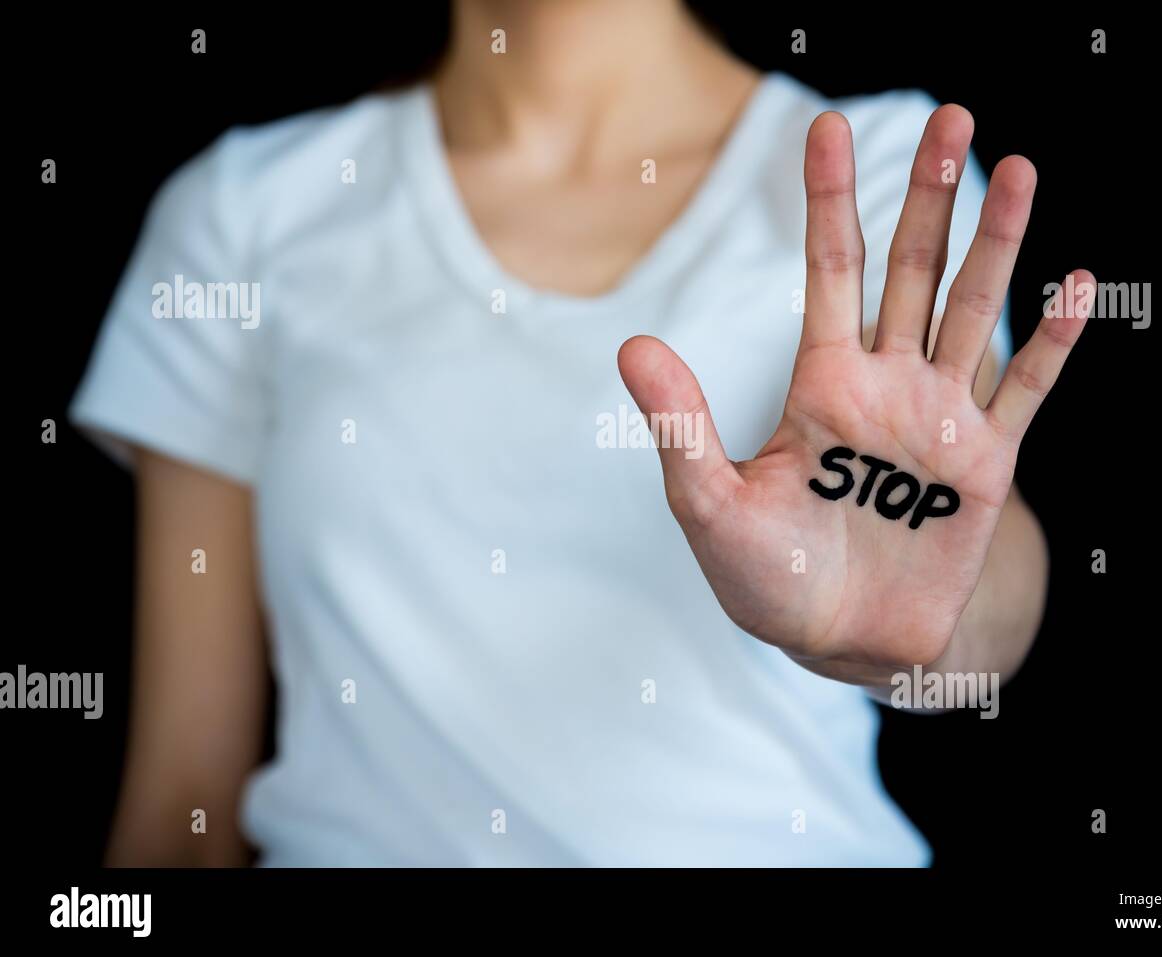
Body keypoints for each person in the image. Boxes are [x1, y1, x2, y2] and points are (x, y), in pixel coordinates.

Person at [70, 0, 1090, 866]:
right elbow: (181, 811)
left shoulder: (871, 173)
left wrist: (911, 618)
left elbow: (979, 567)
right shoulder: (241, 213)